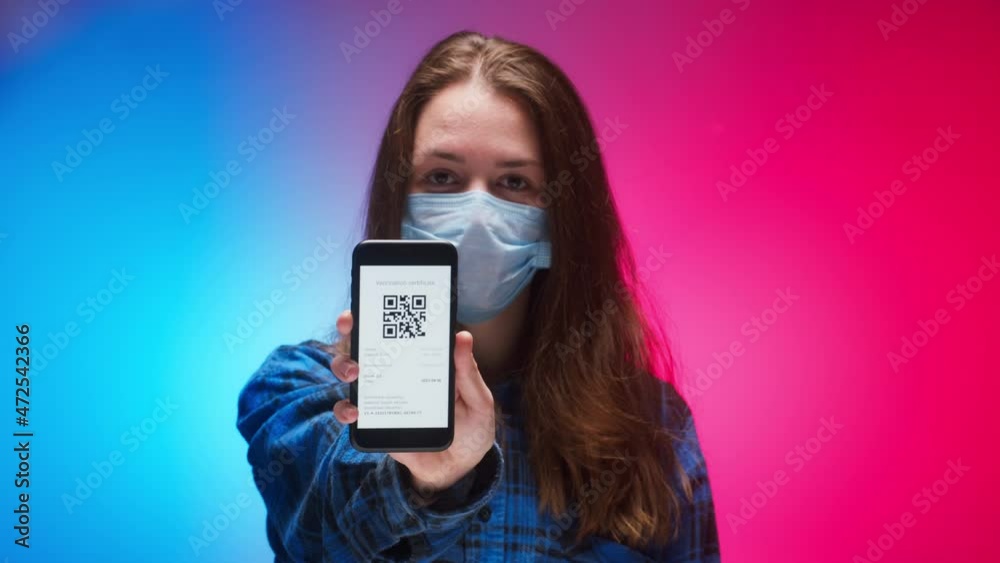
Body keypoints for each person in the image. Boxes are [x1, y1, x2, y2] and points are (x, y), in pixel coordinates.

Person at [237, 31, 721, 562]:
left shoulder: (653, 426)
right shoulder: (302, 388)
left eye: (514, 182)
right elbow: (324, 531)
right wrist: (425, 483)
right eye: (442, 176)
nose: (475, 214)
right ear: (397, 200)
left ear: (560, 219)